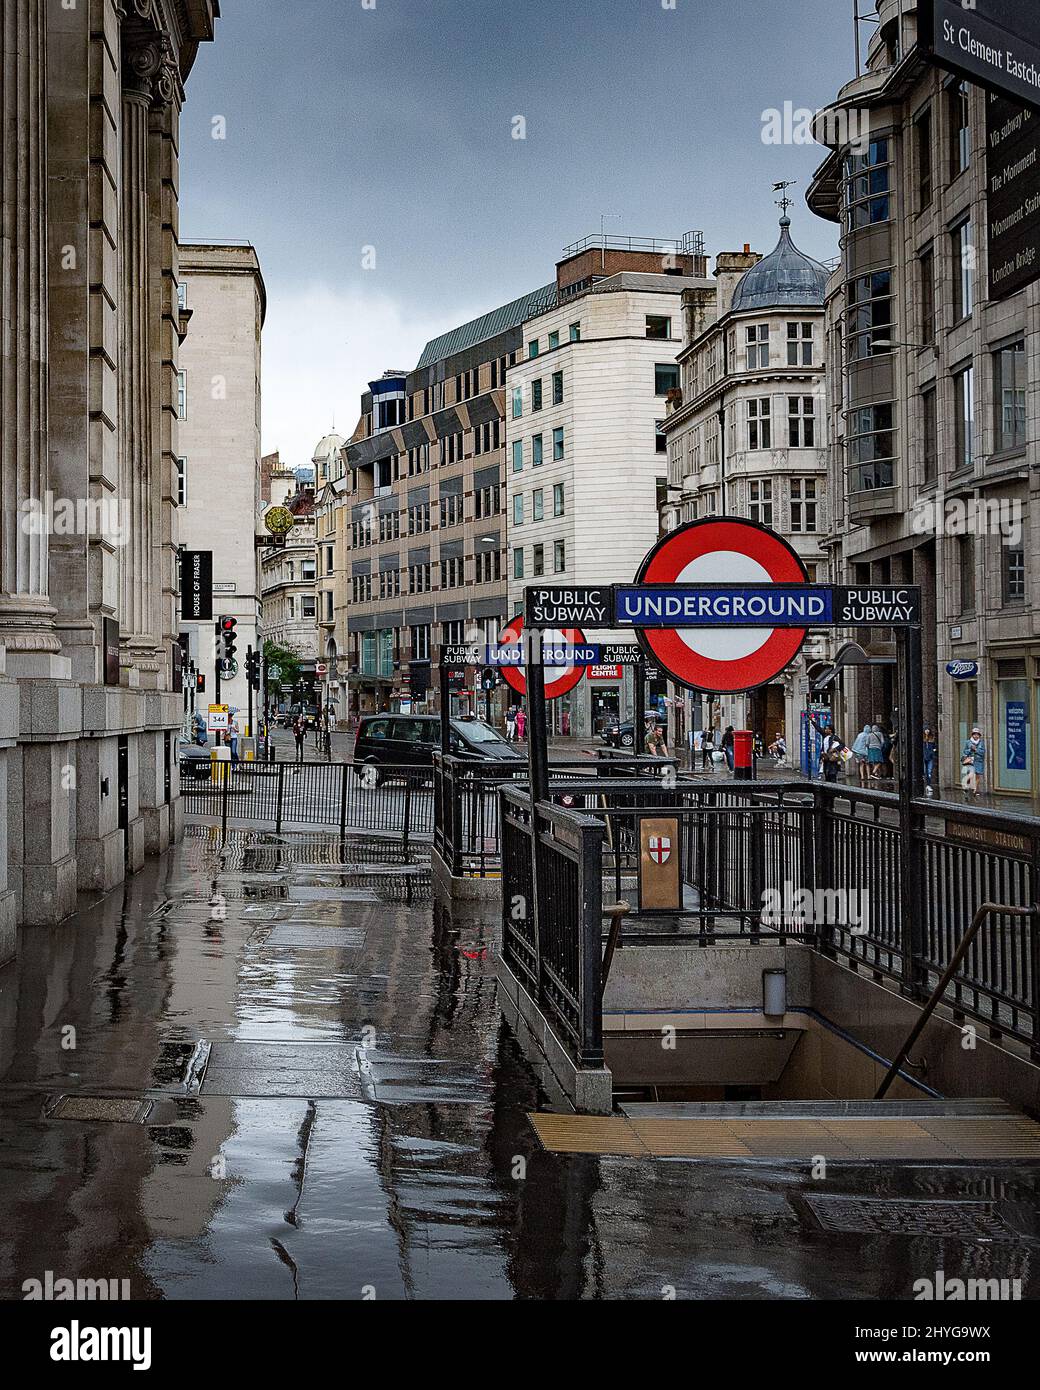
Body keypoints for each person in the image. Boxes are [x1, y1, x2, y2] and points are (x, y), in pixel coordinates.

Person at [961, 725, 985, 797]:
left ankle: (975, 790)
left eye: (977, 734)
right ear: (972, 735)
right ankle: (966, 784)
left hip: (978, 761)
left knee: (977, 775)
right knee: (971, 775)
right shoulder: (968, 742)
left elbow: (983, 752)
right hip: (970, 761)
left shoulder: (981, 743)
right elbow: (965, 752)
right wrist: (970, 749)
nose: (976, 736)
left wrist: (976, 750)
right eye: (974, 734)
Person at [923, 726, 938, 791]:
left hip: (930, 757)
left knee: (929, 772)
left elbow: (934, 747)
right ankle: (925, 784)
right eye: (926, 730)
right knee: (924, 772)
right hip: (923, 757)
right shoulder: (922, 739)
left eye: (928, 730)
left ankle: (928, 785)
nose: (927, 731)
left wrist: (933, 751)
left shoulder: (932, 738)